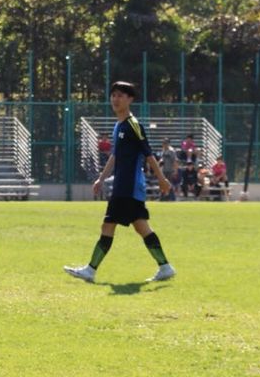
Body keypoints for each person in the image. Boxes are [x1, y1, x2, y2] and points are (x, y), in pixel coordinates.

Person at [64, 81, 177, 284]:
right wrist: (101, 177)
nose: (115, 99)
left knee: (108, 225)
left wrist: (162, 179)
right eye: (113, 95)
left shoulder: (133, 125)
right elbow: (115, 156)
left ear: (130, 99)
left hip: (129, 187)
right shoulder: (118, 126)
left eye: (120, 96)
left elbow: (148, 154)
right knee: (141, 227)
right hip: (124, 186)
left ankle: (90, 270)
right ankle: (165, 267)